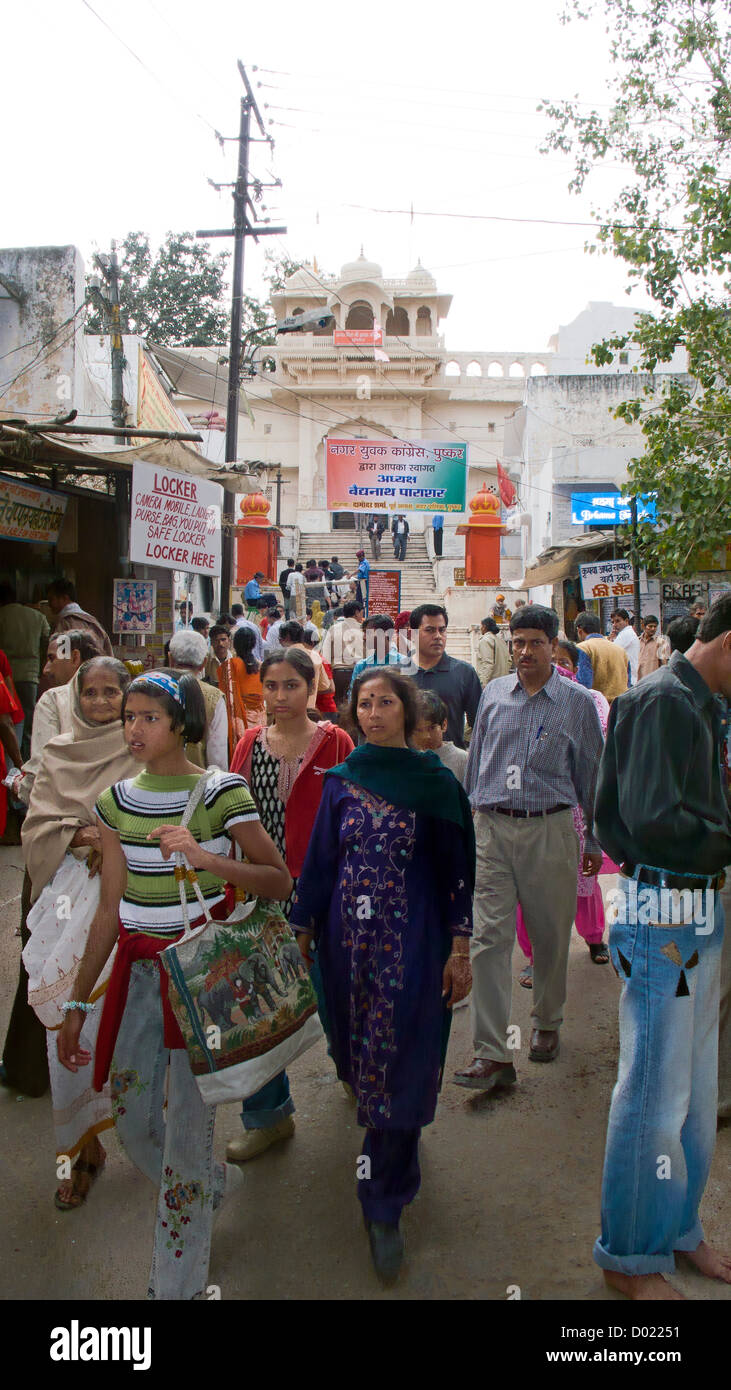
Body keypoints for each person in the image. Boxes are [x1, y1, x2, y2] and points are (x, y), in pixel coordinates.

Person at [56, 669, 291, 1300]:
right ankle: (209, 1184)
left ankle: (175, 1287)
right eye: (128, 717)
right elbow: (111, 909)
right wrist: (78, 1003)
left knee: (186, 1138)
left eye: (148, 717)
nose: (132, 728)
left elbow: (278, 881)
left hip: (202, 983)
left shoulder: (221, 792)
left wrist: (207, 858)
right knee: (134, 1122)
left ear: (182, 725)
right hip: (137, 980)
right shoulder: (114, 802)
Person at [290, 670, 475, 1283]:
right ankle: (383, 1144)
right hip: (347, 948)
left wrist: (460, 947)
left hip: (415, 945)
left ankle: (385, 1203)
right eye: (364, 704)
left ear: (407, 708)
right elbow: (320, 862)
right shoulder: (342, 783)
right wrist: (302, 929)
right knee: (357, 1056)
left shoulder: (436, 785)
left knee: (403, 1063)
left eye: (385, 702)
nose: (373, 713)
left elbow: (457, 874)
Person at [592, 594, 731, 1300]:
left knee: (693, 1087)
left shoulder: (703, 701)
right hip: (663, 912)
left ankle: (675, 1228)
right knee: (652, 1087)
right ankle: (627, 1256)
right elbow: (645, 819)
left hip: (698, 904)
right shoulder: (661, 702)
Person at [454, 603, 604, 1090]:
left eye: (535, 642)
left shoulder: (577, 703)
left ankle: (546, 1023)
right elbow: (477, 763)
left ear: (553, 645)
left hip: (550, 830)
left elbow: (592, 776)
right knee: (488, 941)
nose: (524, 651)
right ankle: (492, 1053)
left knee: (549, 937)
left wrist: (595, 839)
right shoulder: (494, 694)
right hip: (493, 831)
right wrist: (472, 822)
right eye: (517, 642)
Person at [227, 648, 354, 1161]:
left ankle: (353, 1075)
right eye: (271, 687)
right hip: (262, 892)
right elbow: (229, 811)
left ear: (312, 687)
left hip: (324, 892)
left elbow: (353, 812)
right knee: (259, 1007)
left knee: (335, 993)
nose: (279, 698)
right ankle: (268, 1117)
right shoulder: (249, 743)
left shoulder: (337, 742)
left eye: (291, 687)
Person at [22, 657, 136, 1209]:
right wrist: (78, 838)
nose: (98, 703)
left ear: (125, 696)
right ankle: (78, 1153)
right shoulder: (59, 752)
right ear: (75, 696)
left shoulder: (143, 746)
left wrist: (113, 843)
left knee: (128, 1026)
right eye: (89, 693)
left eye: (110, 693)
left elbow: (164, 815)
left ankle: (146, 1137)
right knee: (65, 1026)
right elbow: (38, 824)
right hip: (68, 902)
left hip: (130, 908)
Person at [514, 638, 611, 988]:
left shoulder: (590, 701)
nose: (560, 670)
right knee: (530, 888)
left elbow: (598, 761)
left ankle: (594, 936)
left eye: (565, 662)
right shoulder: (514, 702)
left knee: (584, 881)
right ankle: (534, 956)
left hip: (576, 810)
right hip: (529, 812)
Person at [410, 603, 481, 750]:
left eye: (442, 630)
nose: (437, 636)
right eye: (429, 630)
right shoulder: (397, 674)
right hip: (406, 765)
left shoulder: (464, 673)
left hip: (451, 766)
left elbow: (480, 725)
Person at [0, 582, 51, 758]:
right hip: (30, 675)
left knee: (6, 720)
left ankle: (11, 760)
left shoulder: (2, 615)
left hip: (6, 677)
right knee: (29, 722)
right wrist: (44, 664)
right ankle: (27, 760)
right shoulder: (37, 617)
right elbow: (48, 642)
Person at [168, 631, 227, 769]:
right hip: (198, 784)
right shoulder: (214, 697)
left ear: (170, 658)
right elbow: (218, 758)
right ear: (204, 663)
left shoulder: (153, 690)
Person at [217, 626, 266, 760]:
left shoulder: (229, 666)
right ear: (253, 644)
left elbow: (226, 699)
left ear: (235, 644)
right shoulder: (261, 666)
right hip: (260, 721)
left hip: (239, 723)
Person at [347, 614, 414, 696]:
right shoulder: (361, 666)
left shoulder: (405, 664)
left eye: (368, 632)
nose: (364, 637)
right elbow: (353, 696)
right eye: (364, 633)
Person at [411, 690, 467, 784]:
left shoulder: (463, 760)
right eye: (418, 730)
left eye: (431, 728)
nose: (426, 736)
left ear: (444, 725)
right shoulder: (407, 759)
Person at [47, 578, 114, 657]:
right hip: (96, 668)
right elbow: (108, 656)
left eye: (51, 599)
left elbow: (60, 658)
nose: (49, 604)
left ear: (64, 598)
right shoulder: (94, 623)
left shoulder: (65, 623)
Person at [279, 621, 334, 712]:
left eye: (280, 639)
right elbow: (325, 686)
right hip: (310, 712)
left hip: (286, 711)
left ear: (286, 638)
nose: (279, 641)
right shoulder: (315, 656)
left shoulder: (280, 658)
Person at [575, 610, 629, 702]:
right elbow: (628, 682)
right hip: (621, 706)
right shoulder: (620, 650)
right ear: (600, 630)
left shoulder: (583, 648)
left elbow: (584, 686)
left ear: (579, 631)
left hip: (598, 708)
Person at [321, 599, 365, 706]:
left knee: (338, 706)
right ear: (356, 613)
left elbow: (325, 654)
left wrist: (328, 676)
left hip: (337, 675)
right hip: (358, 673)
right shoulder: (364, 630)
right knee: (355, 705)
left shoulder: (333, 629)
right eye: (361, 612)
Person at [475, 616, 512, 687]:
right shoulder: (501, 641)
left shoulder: (485, 640)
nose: (480, 628)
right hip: (503, 683)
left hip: (491, 684)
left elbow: (488, 664)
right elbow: (509, 661)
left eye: (481, 626)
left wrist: (483, 684)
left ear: (484, 627)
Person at [609, 608, 640, 684]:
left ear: (626, 621)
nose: (614, 625)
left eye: (618, 621)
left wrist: (609, 640)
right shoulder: (624, 633)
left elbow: (609, 652)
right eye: (613, 622)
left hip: (628, 679)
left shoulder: (626, 633)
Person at [190, 616, 220, 686]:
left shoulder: (207, 641)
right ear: (195, 630)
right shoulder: (193, 644)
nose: (206, 631)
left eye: (207, 628)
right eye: (203, 629)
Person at [637, 613, 663, 680]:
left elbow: (664, 665)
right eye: (650, 626)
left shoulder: (661, 642)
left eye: (655, 626)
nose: (653, 629)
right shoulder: (637, 641)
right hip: (637, 681)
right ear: (643, 626)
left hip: (653, 681)